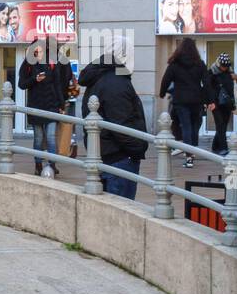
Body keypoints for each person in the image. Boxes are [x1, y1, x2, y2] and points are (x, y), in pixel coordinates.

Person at [79, 42, 148, 200]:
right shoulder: (116, 82)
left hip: (106, 155)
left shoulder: (101, 77)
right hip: (119, 158)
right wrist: (137, 148)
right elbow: (121, 125)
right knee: (122, 213)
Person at [17, 40, 71, 175]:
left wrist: (61, 104)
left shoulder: (52, 63)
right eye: (36, 50)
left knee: (51, 136)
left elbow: (58, 85)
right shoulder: (28, 64)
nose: (39, 52)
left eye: (41, 50)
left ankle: (52, 164)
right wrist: (35, 79)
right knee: (39, 138)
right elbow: (21, 84)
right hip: (35, 107)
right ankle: (38, 164)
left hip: (51, 105)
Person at [159, 37, 210, 167]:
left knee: (186, 126)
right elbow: (207, 83)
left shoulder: (175, 64)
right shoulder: (200, 64)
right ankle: (191, 152)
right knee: (194, 127)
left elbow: (166, 79)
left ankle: (189, 157)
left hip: (181, 99)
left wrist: (162, 92)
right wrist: (208, 99)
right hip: (196, 99)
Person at [206, 52, 237, 156]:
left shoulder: (230, 72)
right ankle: (223, 148)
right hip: (216, 103)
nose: (225, 68)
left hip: (227, 103)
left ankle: (215, 146)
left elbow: (233, 87)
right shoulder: (212, 72)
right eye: (223, 66)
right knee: (220, 125)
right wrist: (209, 102)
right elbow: (207, 88)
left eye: (226, 66)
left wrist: (236, 78)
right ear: (219, 64)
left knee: (223, 126)